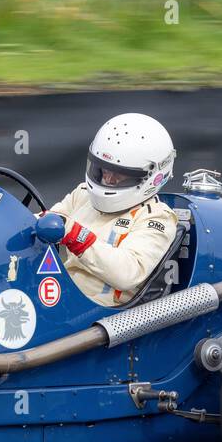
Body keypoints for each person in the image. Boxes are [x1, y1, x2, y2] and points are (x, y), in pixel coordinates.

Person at [48, 112, 179, 308]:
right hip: (57, 294)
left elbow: (128, 273)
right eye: (102, 169)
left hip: (95, 316)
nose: (107, 179)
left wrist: (77, 236)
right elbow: (46, 223)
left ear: (152, 177)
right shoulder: (83, 194)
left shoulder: (157, 217)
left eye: (119, 174)